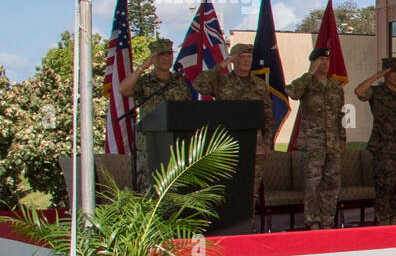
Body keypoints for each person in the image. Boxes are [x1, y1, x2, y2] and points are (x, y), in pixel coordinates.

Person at [193, 42, 274, 206]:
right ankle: (230, 228)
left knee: (252, 190)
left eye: (249, 57)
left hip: (254, 143)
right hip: (228, 143)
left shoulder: (259, 85)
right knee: (228, 188)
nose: (246, 61)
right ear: (233, 60)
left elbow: (267, 114)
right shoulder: (222, 81)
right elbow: (199, 85)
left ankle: (248, 226)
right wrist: (221, 66)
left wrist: (267, 142)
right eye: (242, 57)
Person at [119, 37, 191, 191]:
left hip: (174, 142)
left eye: (169, 54)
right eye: (161, 55)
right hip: (149, 143)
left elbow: (187, 110)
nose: (166, 58)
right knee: (148, 185)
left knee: (174, 185)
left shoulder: (179, 83)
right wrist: (142, 67)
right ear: (153, 58)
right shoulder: (145, 82)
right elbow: (124, 90)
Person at [287, 47, 345, 230]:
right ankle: (313, 220)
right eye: (321, 60)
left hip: (333, 143)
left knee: (332, 183)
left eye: (327, 60)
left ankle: (328, 220)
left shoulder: (335, 86)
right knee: (313, 183)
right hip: (313, 142)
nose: (325, 63)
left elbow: (340, 114)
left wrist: (342, 138)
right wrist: (309, 73)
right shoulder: (307, 84)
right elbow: (292, 92)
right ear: (314, 62)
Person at [356, 57, 396, 226]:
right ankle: (383, 220)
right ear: (386, 74)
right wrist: (376, 76)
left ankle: (395, 218)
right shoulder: (376, 93)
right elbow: (359, 92)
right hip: (384, 149)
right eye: (393, 72)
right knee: (384, 186)